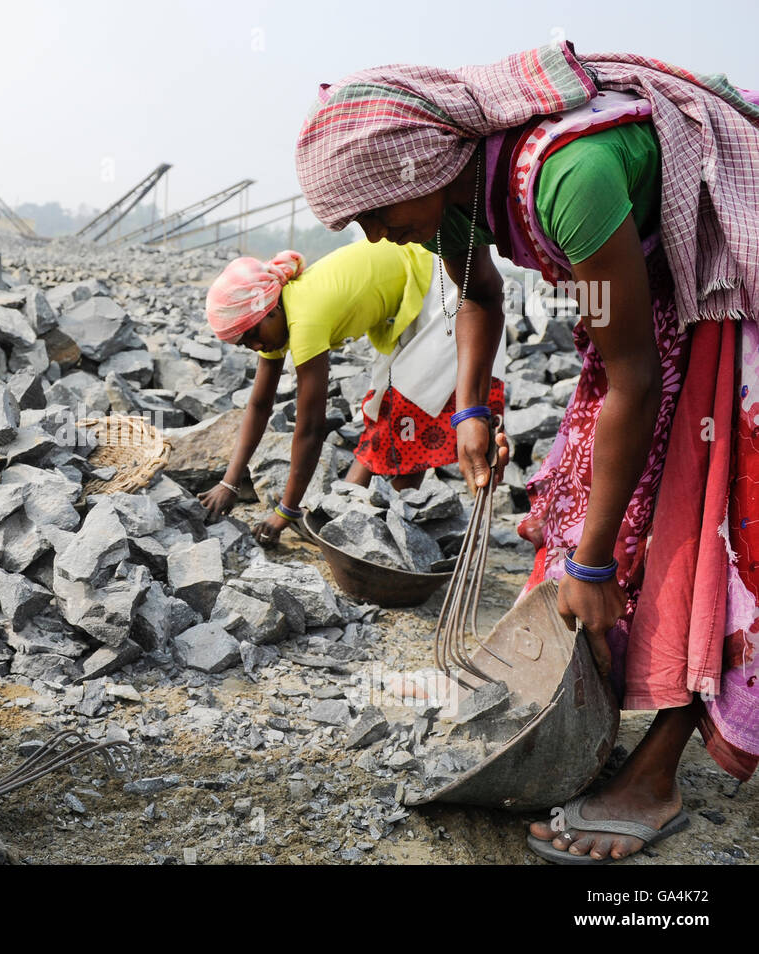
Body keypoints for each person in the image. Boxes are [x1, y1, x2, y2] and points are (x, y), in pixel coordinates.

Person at [294, 40, 759, 862]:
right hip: (644, 312)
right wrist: (471, 406)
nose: (373, 235)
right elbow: (478, 291)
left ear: (417, 168)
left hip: (729, 291)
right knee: (589, 503)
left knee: (709, 516)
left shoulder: (568, 180)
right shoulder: (457, 193)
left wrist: (592, 566)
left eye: (374, 213)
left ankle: (658, 772)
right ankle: (583, 703)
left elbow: (636, 382)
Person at [197, 239, 504, 545]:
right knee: (383, 407)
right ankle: (345, 519)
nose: (255, 347)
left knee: (411, 412)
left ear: (270, 309)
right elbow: (259, 405)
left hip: (442, 288)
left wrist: (286, 511)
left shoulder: (304, 319)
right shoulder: (274, 319)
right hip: (411, 296)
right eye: (245, 344)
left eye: (253, 335)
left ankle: (396, 535)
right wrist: (229, 483)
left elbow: (311, 428)